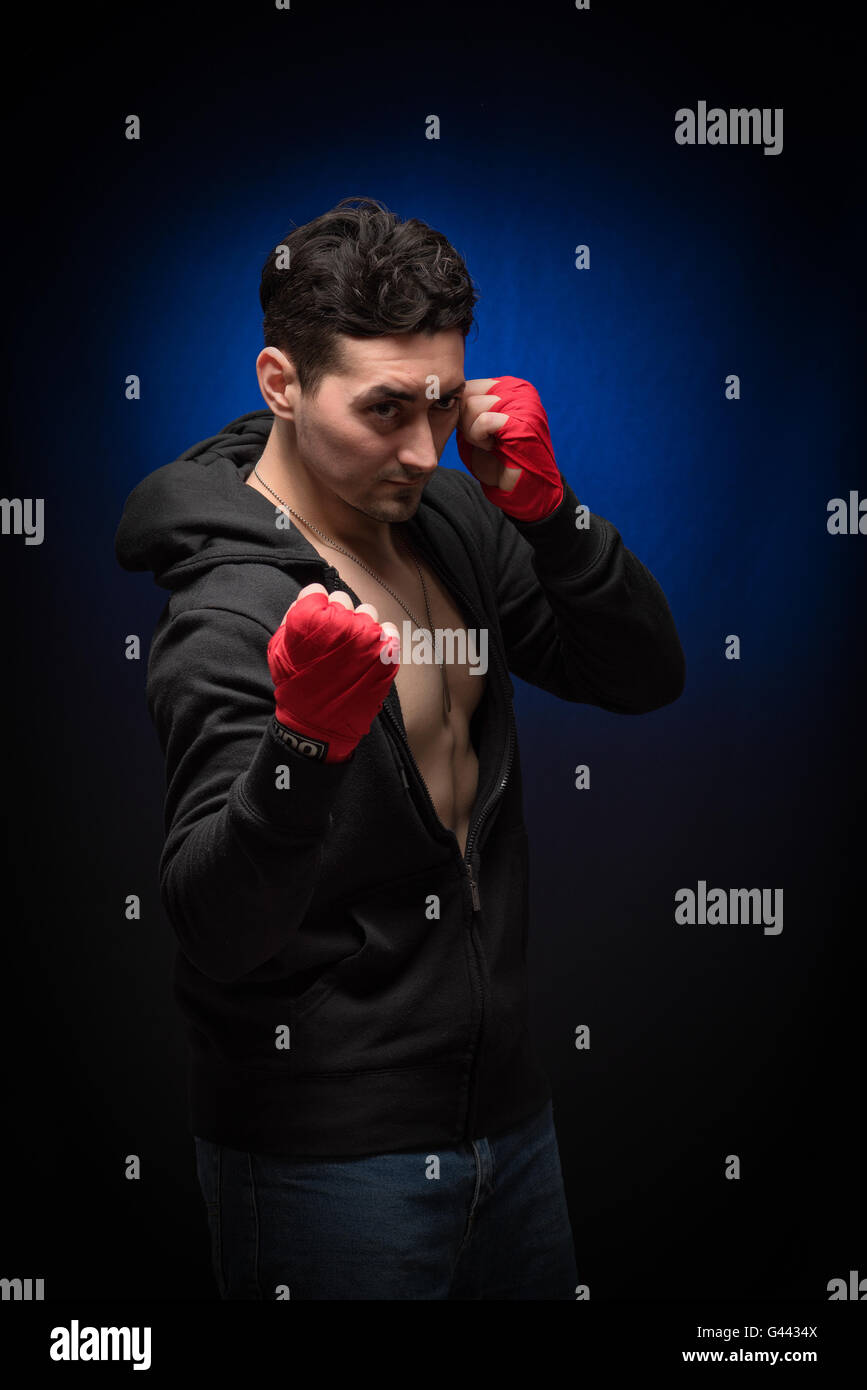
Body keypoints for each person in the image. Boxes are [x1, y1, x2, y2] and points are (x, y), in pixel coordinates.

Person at [114, 195, 686, 1299]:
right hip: (325, 1160)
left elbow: (644, 676)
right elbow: (216, 924)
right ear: (280, 382)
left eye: (440, 403)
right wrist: (303, 748)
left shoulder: (451, 523)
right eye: (385, 410)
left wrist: (551, 517)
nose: (426, 450)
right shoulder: (231, 614)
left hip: (514, 1130)